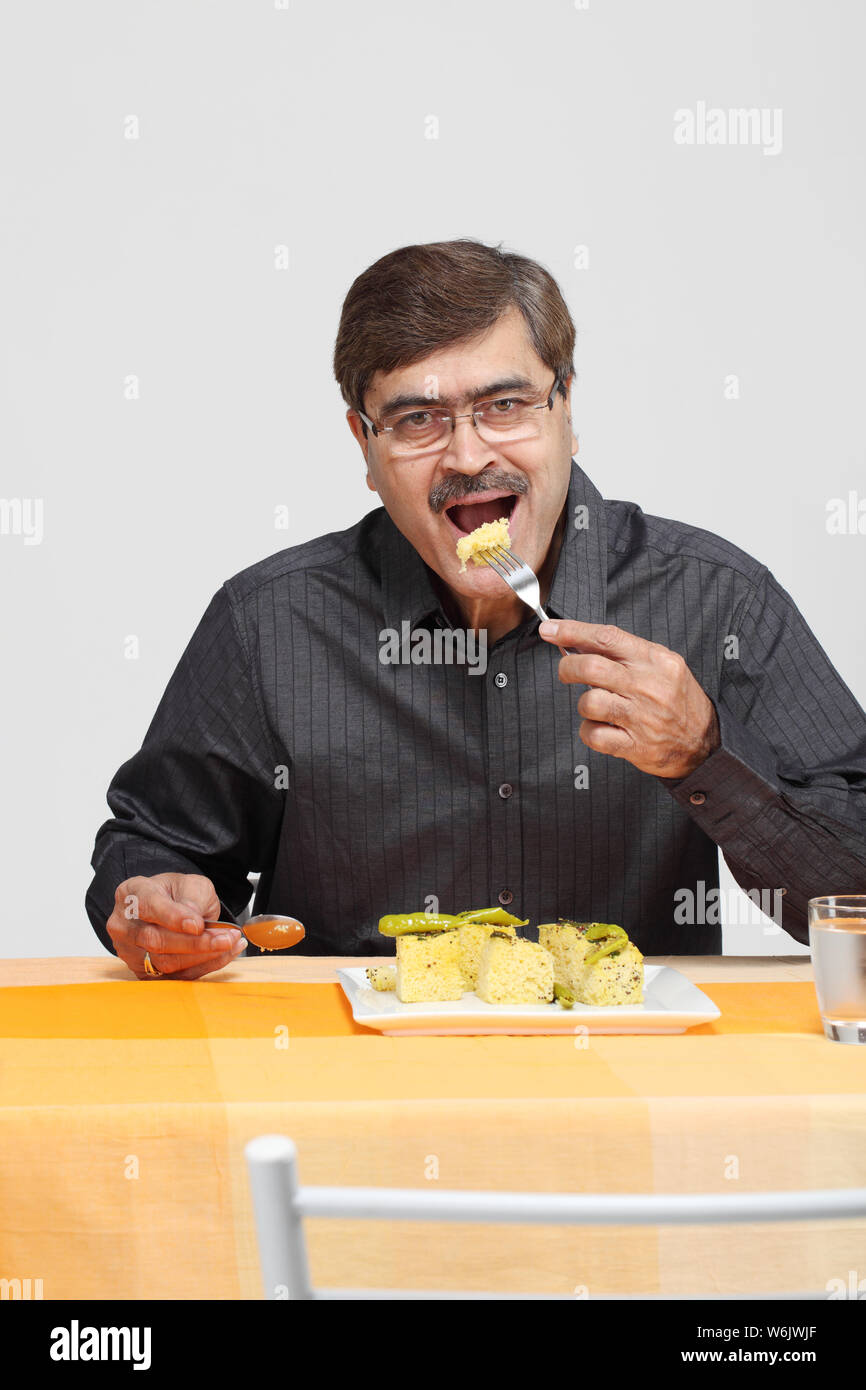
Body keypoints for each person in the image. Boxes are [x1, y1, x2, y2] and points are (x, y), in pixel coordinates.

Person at [85, 239, 866, 979]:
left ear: (566, 410)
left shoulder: (716, 599)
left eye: (505, 404)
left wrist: (706, 756)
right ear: (364, 444)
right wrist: (154, 902)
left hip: (631, 1082)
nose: (467, 456)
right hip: (345, 1084)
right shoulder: (269, 622)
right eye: (417, 419)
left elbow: (855, 902)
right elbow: (156, 847)